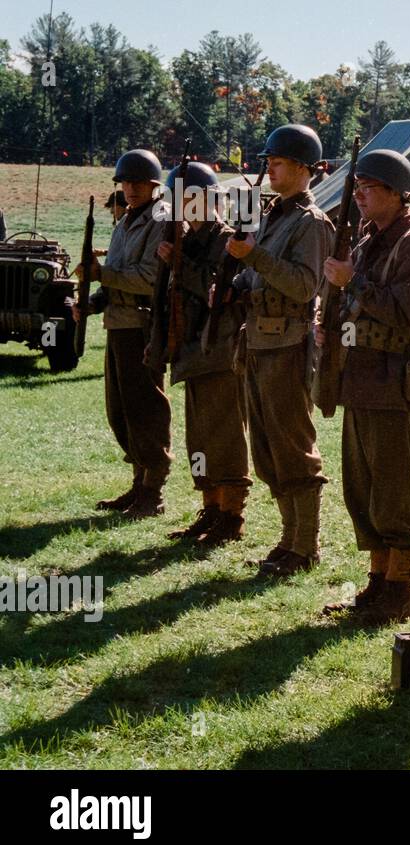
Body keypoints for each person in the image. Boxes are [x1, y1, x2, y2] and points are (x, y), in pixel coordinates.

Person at [319, 150, 410, 624]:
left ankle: (400, 592)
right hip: (362, 380)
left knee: (394, 492)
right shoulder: (369, 240)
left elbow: (405, 312)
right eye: (358, 189)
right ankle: (377, 586)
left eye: (368, 189)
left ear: (396, 192)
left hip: (396, 385)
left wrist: (354, 283)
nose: (359, 197)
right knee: (364, 490)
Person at [224, 124, 333, 578]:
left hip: (289, 343)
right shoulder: (271, 215)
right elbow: (260, 275)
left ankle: (305, 546)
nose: (270, 167)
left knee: (292, 445)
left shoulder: (312, 223)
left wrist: (253, 259)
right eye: (269, 160)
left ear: (305, 170)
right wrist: (238, 280)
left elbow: (306, 285)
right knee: (267, 448)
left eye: (280, 161)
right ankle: (288, 539)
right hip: (258, 339)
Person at [153, 161, 251, 544]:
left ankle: (232, 514)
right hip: (191, 351)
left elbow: (219, 291)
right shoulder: (185, 239)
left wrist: (180, 263)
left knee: (224, 435)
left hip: (219, 349)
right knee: (200, 439)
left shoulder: (225, 239)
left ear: (208, 199)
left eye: (187, 198)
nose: (181, 206)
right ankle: (210, 508)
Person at [73, 149, 172, 519]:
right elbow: (114, 275)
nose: (129, 189)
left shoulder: (160, 220)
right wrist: (92, 303)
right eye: (125, 182)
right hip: (118, 324)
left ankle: (153, 491)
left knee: (145, 409)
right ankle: (138, 484)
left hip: (143, 328)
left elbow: (149, 279)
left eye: (137, 182)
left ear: (153, 184)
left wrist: (103, 276)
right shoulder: (125, 222)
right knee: (121, 412)